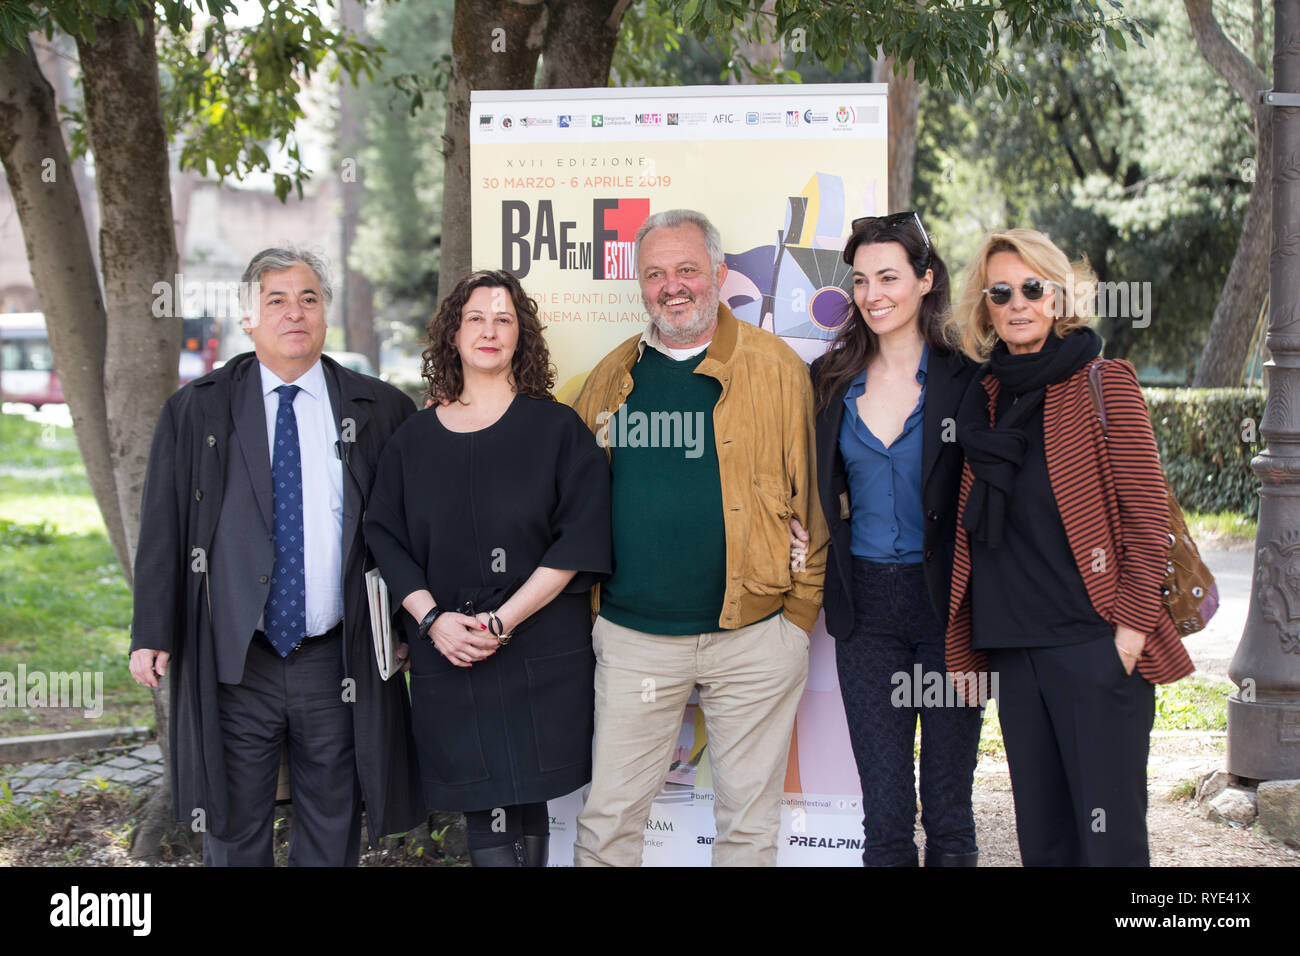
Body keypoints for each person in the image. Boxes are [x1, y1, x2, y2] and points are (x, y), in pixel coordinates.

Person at [129, 247, 423, 866]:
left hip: (336, 656)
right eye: (277, 300)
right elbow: (164, 528)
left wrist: (403, 627)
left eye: (309, 299)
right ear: (247, 317)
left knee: (332, 818)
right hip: (236, 657)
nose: (296, 313)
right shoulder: (197, 409)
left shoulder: (378, 410)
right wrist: (152, 631)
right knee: (231, 825)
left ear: (326, 315)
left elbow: (407, 531)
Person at [571, 208, 828, 867]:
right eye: (655, 274)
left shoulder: (776, 369)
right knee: (608, 827)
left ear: (717, 273)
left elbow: (814, 500)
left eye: (687, 269)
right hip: (633, 643)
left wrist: (796, 618)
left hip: (755, 639)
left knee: (747, 829)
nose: (672, 286)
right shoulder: (610, 378)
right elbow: (563, 492)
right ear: (641, 286)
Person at [945, 228, 1194, 866]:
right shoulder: (987, 398)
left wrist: (1130, 636)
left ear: (1060, 297)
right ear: (986, 306)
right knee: (1045, 843)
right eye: (1001, 292)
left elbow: (1146, 522)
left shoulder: (1101, 383)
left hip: (1093, 647)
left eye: (1034, 288)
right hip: (1015, 650)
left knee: (1108, 846)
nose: (1018, 303)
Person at [363, 270, 611, 867]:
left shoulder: (556, 430)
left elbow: (580, 541)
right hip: (448, 648)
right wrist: (431, 622)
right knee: (484, 803)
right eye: (476, 317)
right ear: (453, 334)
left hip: (537, 645)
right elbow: (385, 538)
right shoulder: (412, 441)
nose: (490, 330)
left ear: (521, 336)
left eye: (504, 319)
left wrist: (503, 620)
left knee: (526, 799)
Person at [797, 211, 983, 866]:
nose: (873, 294)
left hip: (952, 610)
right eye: (860, 280)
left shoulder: (969, 378)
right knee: (884, 809)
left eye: (889, 277)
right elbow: (808, 485)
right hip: (866, 610)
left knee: (950, 807)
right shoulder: (829, 381)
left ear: (925, 281)